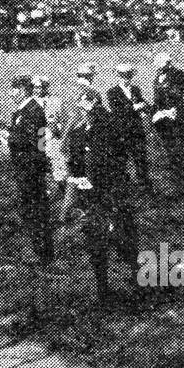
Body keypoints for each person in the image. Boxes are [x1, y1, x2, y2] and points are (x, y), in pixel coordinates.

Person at [62, 87, 135, 302]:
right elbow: (74, 159)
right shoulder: (78, 131)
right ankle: (103, 289)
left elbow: (114, 159)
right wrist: (75, 177)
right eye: (81, 105)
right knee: (95, 239)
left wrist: (94, 179)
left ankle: (135, 278)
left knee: (122, 235)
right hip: (90, 196)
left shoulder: (107, 126)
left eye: (87, 104)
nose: (84, 109)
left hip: (110, 192)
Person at [7, 74, 51, 264]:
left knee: (35, 208)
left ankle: (41, 252)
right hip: (26, 166)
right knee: (31, 207)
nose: (11, 93)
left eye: (14, 89)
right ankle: (38, 248)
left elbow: (35, 141)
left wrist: (7, 138)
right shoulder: (22, 111)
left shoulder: (32, 111)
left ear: (23, 90)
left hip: (31, 167)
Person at [106, 63, 153, 191]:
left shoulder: (135, 90)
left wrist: (147, 108)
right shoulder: (112, 92)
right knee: (122, 160)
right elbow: (117, 111)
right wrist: (135, 107)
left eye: (128, 76)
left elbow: (144, 103)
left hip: (136, 130)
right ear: (118, 76)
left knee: (140, 159)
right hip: (122, 131)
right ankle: (124, 188)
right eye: (122, 76)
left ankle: (144, 185)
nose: (125, 78)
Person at [150, 52, 184, 191]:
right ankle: (178, 181)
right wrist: (156, 111)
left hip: (176, 116)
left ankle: (183, 183)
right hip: (162, 118)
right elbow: (157, 98)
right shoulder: (157, 77)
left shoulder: (177, 74)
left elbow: (177, 94)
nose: (160, 67)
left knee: (177, 149)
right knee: (170, 150)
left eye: (163, 64)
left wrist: (167, 109)